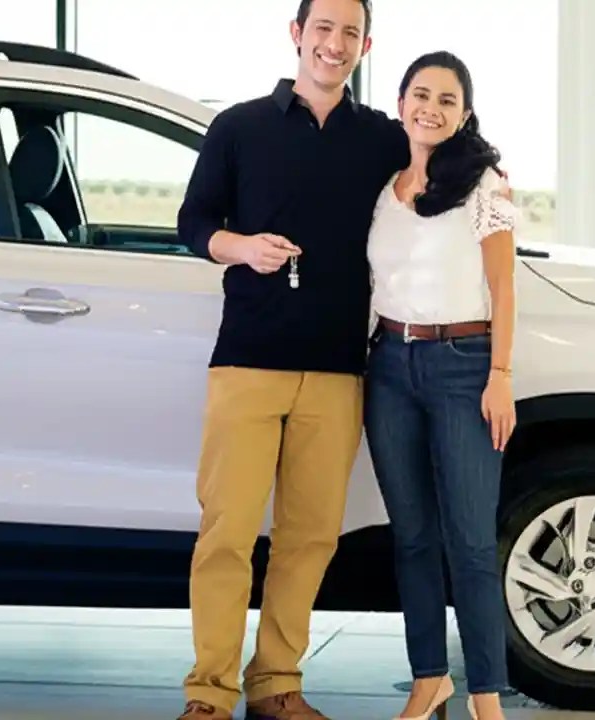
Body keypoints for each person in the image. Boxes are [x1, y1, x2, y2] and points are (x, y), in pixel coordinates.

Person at [172, 0, 409, 718]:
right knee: (228, 533)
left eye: (348, 34)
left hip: (338, 370)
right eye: (322, 29)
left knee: (308, 538)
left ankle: (277, 683)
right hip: (247, 362)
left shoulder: (383, 140)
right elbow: (194, 222)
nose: (333, 45)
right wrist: (241, 247)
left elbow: (439, 175)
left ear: (366, 45)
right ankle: (208, 693)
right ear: (296, 34)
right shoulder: (239, 126)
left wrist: (494, 186)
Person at [363, 51, 519, 720]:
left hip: (464, 365)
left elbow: (506, 285)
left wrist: (501, 376)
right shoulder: (382, 187)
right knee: (412, 536)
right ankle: (430, 678)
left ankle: (486, 696)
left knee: (472, 541)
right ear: (400, 104)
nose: (430, 107)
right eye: (420, 94)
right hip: (390, 368)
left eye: (446, 99)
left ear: (464, 113)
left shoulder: (486, 184)